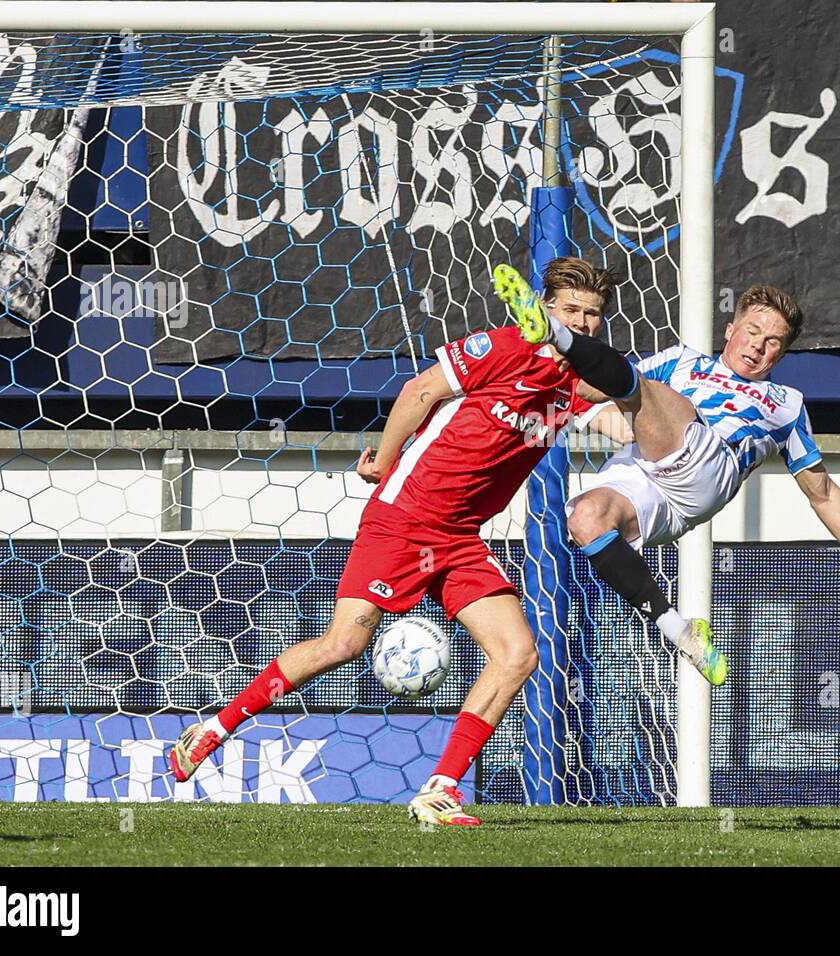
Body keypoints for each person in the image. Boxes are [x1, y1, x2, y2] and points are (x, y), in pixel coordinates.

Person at [168, 257, 627, 827]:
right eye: (572, 311)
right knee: (344, 645)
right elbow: (420, 390)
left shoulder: (576, 387)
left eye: (594, 315)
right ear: (547, 309)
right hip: (404, 517)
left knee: (518, 654)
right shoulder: (506, 347)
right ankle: (212, 729)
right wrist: (383, 463)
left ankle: (440, 789)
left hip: (459, 538)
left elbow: (628, 428)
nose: (582, 323)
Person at [494, 265, 840, 687]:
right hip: (645, 476)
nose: (758, 346)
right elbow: (595, 394)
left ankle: (552, 334)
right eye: (753, 331)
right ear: (730, 329)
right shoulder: (683, 361)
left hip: (706, 473)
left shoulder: (785, 404)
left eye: (774, 342)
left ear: (783, 352)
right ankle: (680, 632)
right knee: (585, 517)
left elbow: (821, 493)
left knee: (660, 399)